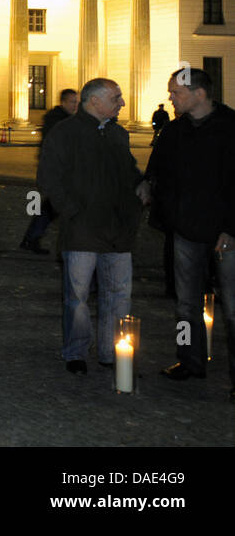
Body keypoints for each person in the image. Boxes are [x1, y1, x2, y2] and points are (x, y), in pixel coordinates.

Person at [37, 78, 149, 374]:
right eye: (116, 97)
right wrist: (73, 212)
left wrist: (141, 186)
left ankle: (111, 351)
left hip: (119, 231)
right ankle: (76, 351)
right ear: (94, 101)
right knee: (78, 298)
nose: (122, 102)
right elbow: (49, 178)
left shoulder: (117, 134)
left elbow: (128, 170)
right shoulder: (64, 133)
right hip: (82, 231)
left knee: (118, 295)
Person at [148, 68, 235, 400]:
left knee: (232, 309)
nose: (171, 97)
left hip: (227, 233)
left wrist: (231, 228)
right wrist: (148, 188)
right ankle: (188, 360)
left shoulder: (230, 128)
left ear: (200, 94)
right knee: (186, 306)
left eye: (177, 92)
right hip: (186, 230)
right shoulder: (174, 130)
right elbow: (157, 170)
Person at [19, 88, 79, 254]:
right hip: (58, 172)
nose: (76, 105)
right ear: (64, 102)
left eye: (77, 102)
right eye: (73, 102)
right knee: (54, 208)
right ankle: (34, 239)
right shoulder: (59, 121)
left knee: (50, 208)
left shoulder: (59, 118)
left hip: (58, 172)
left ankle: (31, 238)